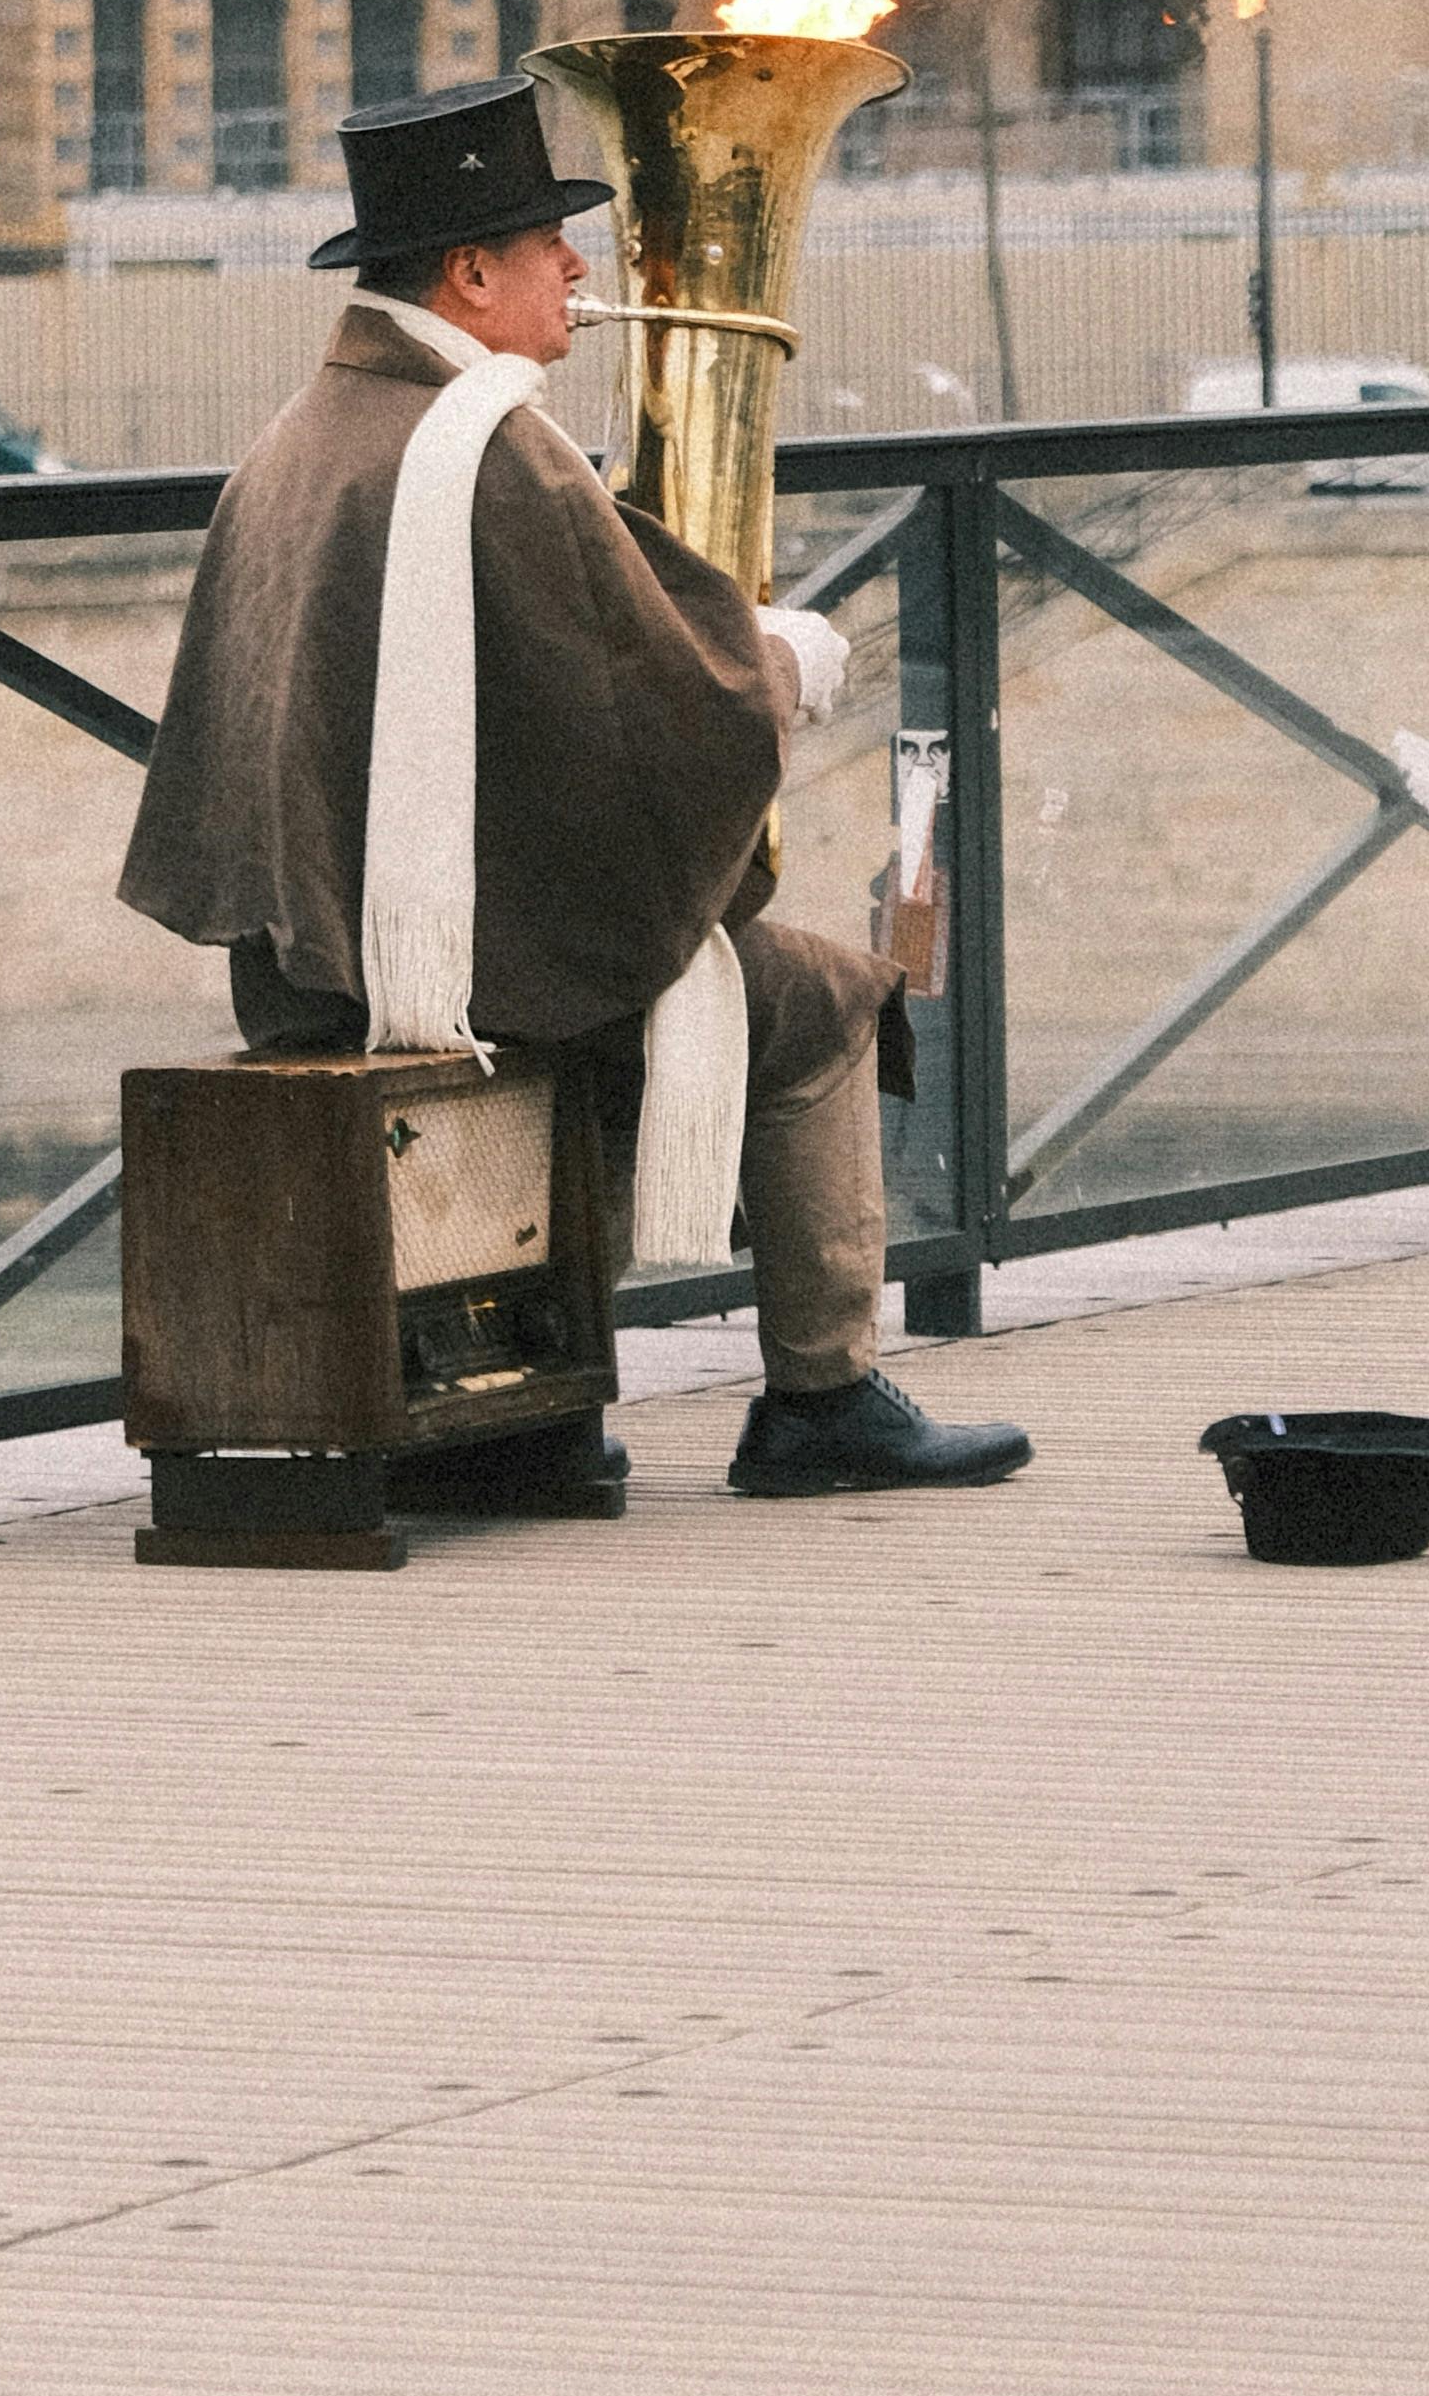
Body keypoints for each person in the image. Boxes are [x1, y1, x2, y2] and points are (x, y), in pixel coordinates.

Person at [118, 73, 1030, 1498]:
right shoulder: (487, 445)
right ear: (472, 275)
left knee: (622, 994)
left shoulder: (297, 438)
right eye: (553, 247)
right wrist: (780, 660)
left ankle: (527, 1411)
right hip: (444, 973)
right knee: (827, 1003)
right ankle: (824, 1399)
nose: (581, 271)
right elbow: (661, 722)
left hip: (309, 958)